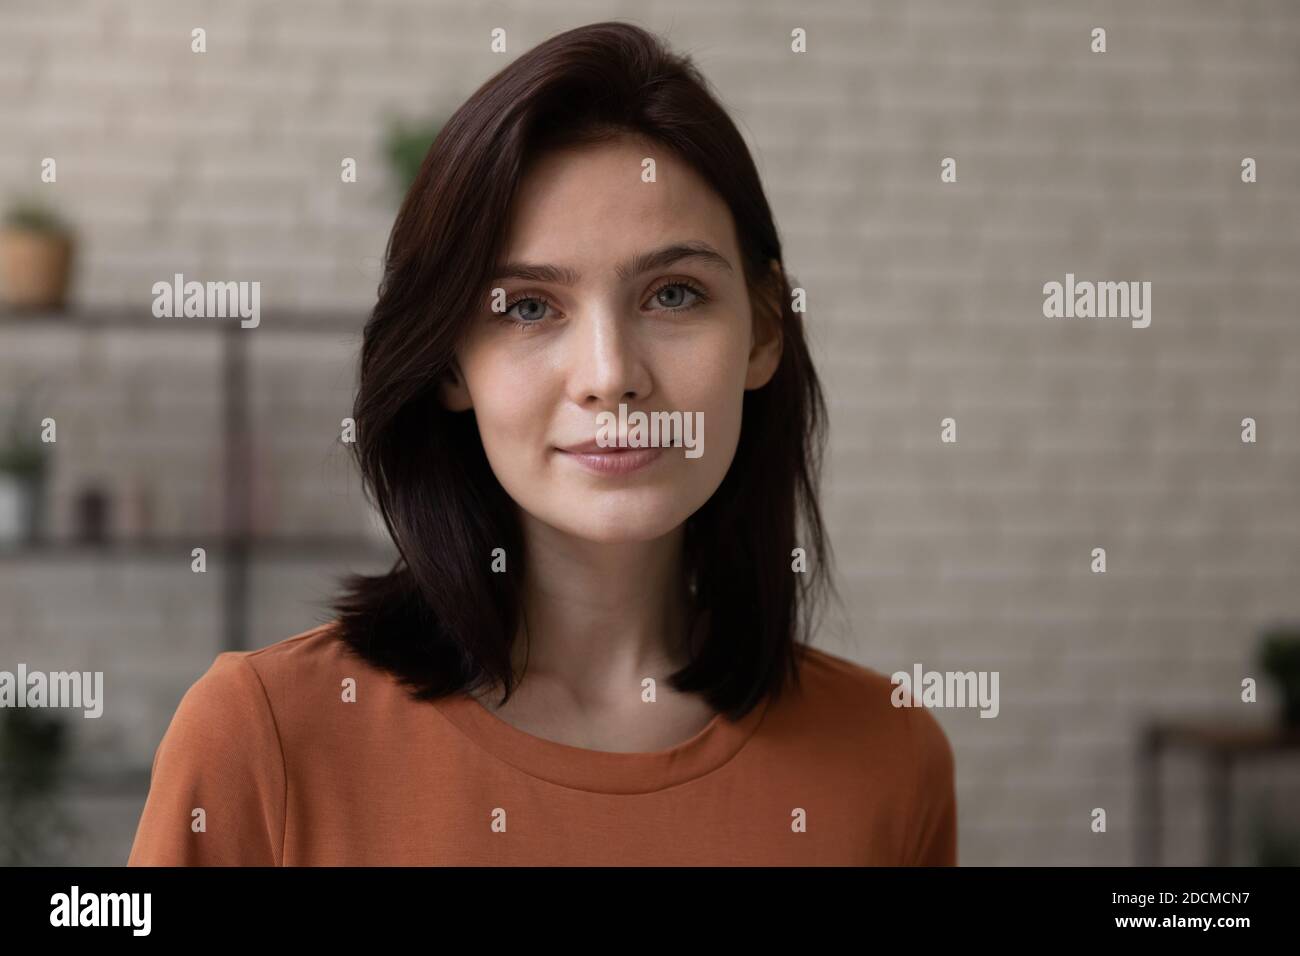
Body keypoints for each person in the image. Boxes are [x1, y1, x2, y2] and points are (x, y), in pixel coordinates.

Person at [128, 20, 956, 866]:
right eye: (527, 307)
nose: (610, 375)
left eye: (673, 294)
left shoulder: (888, 759)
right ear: (451, 363)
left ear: (763, 330)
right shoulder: (261, 739)